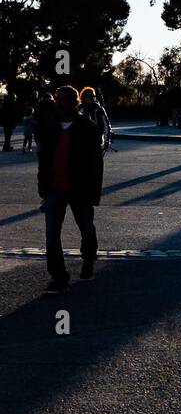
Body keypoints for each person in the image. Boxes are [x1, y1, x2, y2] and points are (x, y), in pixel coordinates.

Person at [36, 84, 104, 292]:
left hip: (80, 188)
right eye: (59, 100)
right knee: (52, 234)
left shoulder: (88, 127)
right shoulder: (49, 126)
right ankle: (58, 277)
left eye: (66, 100)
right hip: (54, 188)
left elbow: (96, 163)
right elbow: (43, 159)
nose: (62, 104)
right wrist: (43, 188)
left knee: (86, 229)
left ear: (75, 103)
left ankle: (89, 259)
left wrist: (94, 192)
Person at [79, 86, 111, 151]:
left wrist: (106, 141)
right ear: (84, 97)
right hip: (82, 143)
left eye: (93, 96)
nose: (92, 98)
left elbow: (106, 126)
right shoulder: (79, 109)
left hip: (97, 142)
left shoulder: (99, 109)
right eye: (89, 96)